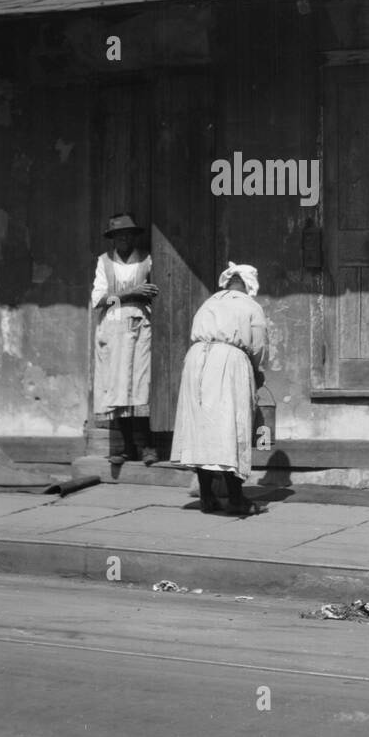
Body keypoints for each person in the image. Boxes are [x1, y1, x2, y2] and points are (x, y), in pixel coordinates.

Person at [169, 262, 268, 515]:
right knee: (231, 426)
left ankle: (207, 497)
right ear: (249, 284)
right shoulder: (250, 306)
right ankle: (236, 498)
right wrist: (257, 373)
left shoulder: (208, 302)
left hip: (196, 361)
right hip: (229, 361)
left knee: (203, 426)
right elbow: (257, 347)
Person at [91, 213, 159, 466]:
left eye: (128, 234)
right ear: (113, 238)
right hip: (113, 327)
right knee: (117, 385)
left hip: (140, 325)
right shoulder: (104, 262)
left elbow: (156, 291)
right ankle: (128, 446)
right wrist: (131, 292)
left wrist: (140, 296)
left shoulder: (147, 260)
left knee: (140, 384)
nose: (125, 239)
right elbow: (99, 300)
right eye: (119, 235)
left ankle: (149, 446)